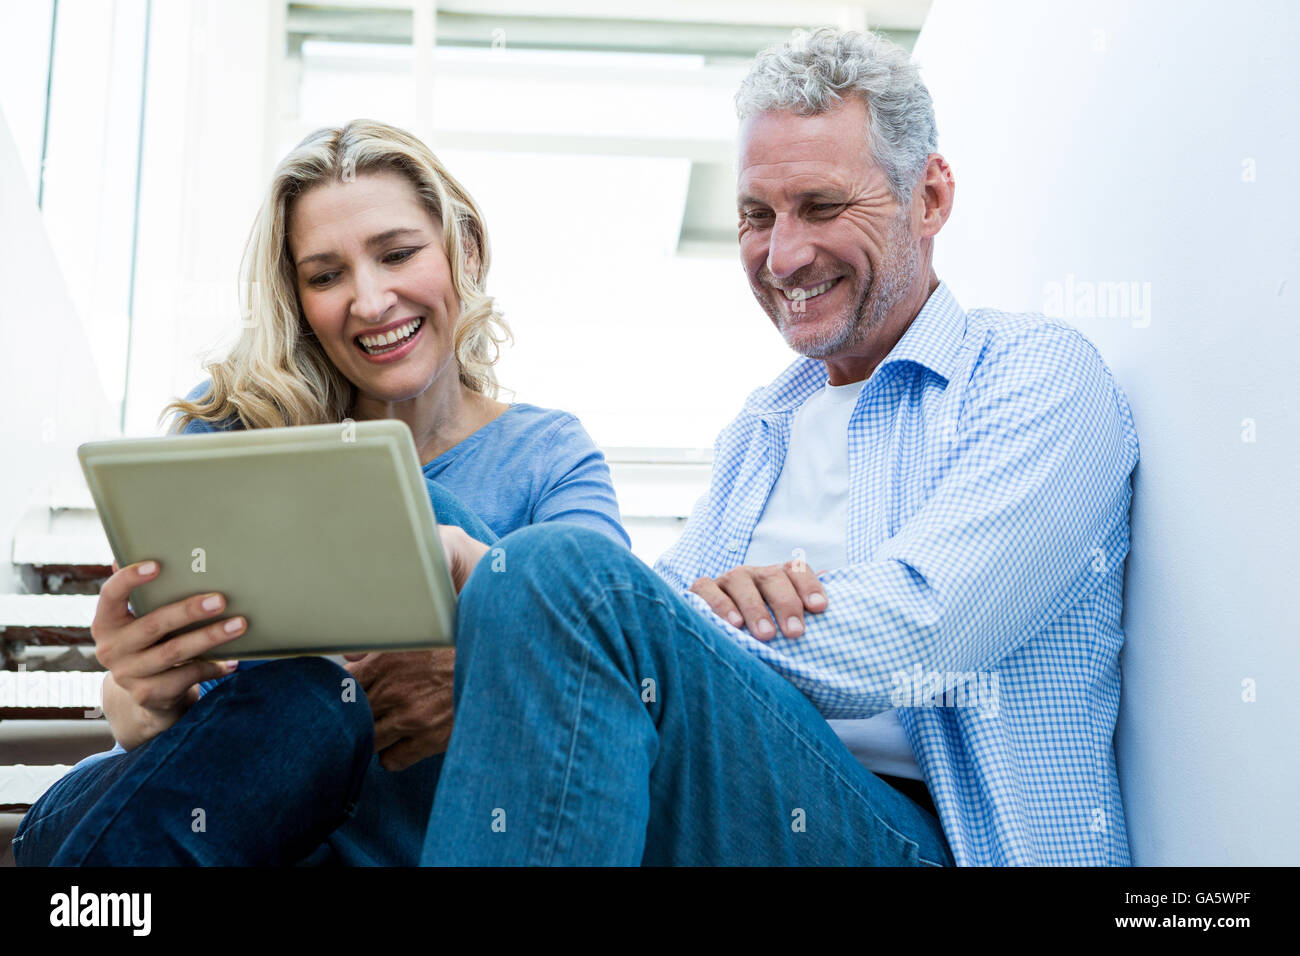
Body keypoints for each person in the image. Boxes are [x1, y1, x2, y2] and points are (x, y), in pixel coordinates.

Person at [415, 26, 1140, 865]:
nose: (784, 254)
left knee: (553, 574)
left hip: (935, 841)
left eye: (823, 207)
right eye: (757, 217)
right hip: (752, 803)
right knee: (442, 531)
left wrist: (656, 623)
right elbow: (663, 606)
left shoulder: (1037, 375)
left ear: (930, 199)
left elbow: (916, 635)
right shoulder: (764, 425)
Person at [12, 120, 630, 866]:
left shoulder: (548, 458)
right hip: (199, 824)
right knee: (299, 705)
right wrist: (145, 691)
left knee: (429, 552)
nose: (370, 302)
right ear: (297, 298)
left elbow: (603, 669)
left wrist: (470, 636)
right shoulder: (232, 427)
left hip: (402, 835)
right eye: (325, 275)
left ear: (463, 250)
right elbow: (143, 722)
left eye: (398, 254)